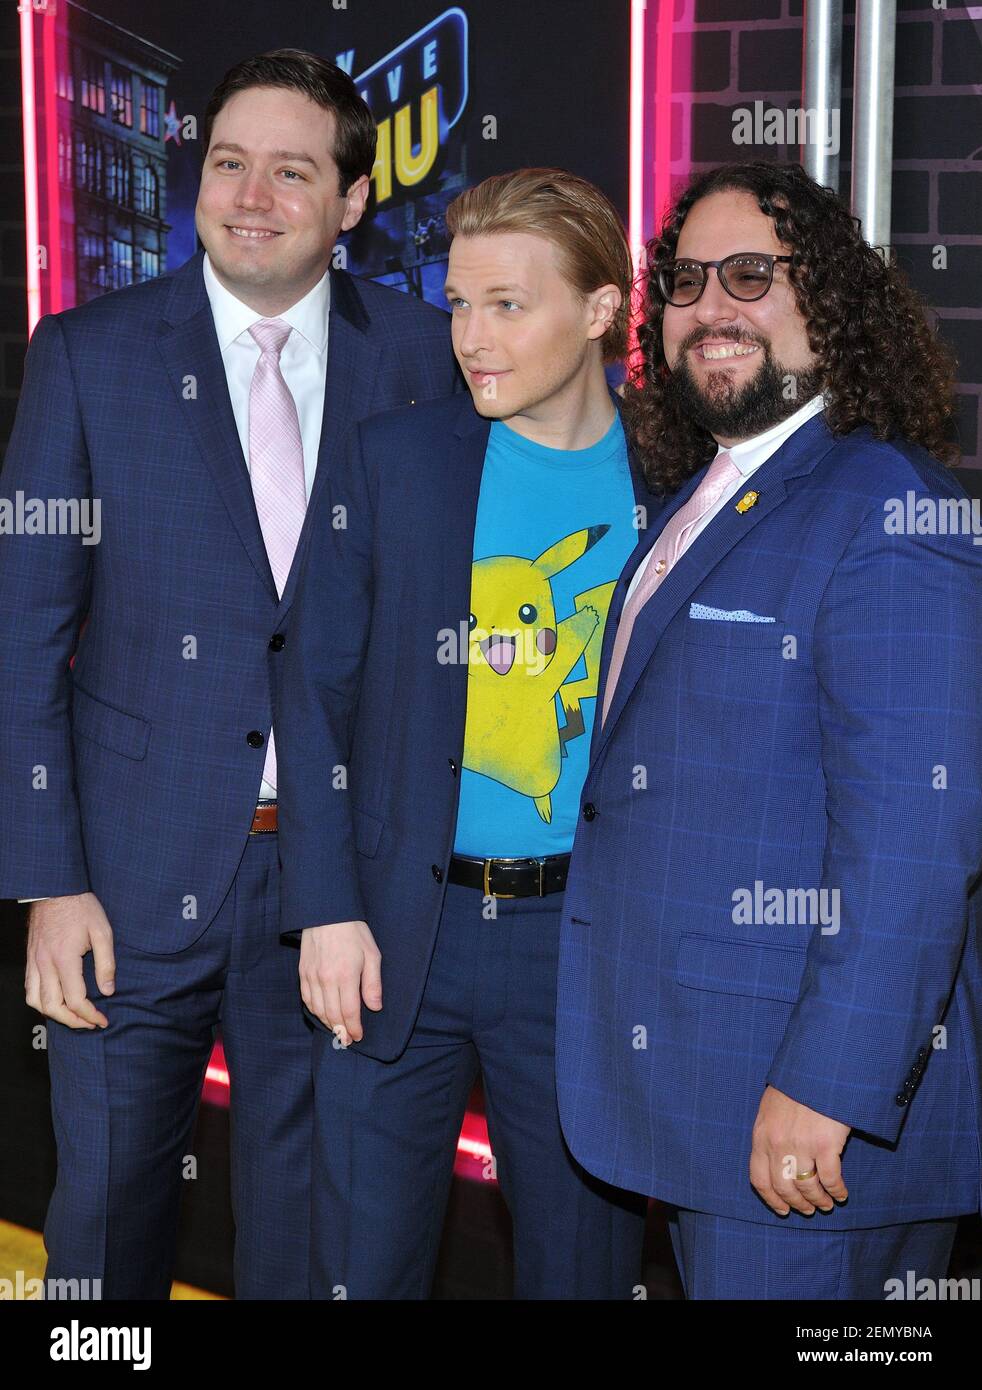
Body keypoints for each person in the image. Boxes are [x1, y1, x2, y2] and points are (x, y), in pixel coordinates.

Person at [0, 48, 460, 1300]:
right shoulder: (87, 354)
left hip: (336, 882)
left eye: (291, 171)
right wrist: (50, 878)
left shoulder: (428, 360)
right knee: (103, 1227)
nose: (249, 196)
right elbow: (24, 628)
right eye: (227, 164)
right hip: (127, 879)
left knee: (309, 1231)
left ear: (353, 203)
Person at [554, 160, 982, 1300]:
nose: (710, 306)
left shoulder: (887, 505)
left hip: (800, 1128)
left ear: (827, 303)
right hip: (703, 1096)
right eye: (686, 281)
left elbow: (915, 837)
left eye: (752, 274)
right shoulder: (698, 496)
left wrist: (830, 1086)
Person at [277, 168, 655, 1299]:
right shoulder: (394, 461)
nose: (472, 338)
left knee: (580, 1270)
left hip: (583, 942)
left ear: (598, 312)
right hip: (399, 929)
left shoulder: (677, 477)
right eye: (457, 303)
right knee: (364, 1266)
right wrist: (327, 906)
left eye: (507, 305)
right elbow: (311, 687)